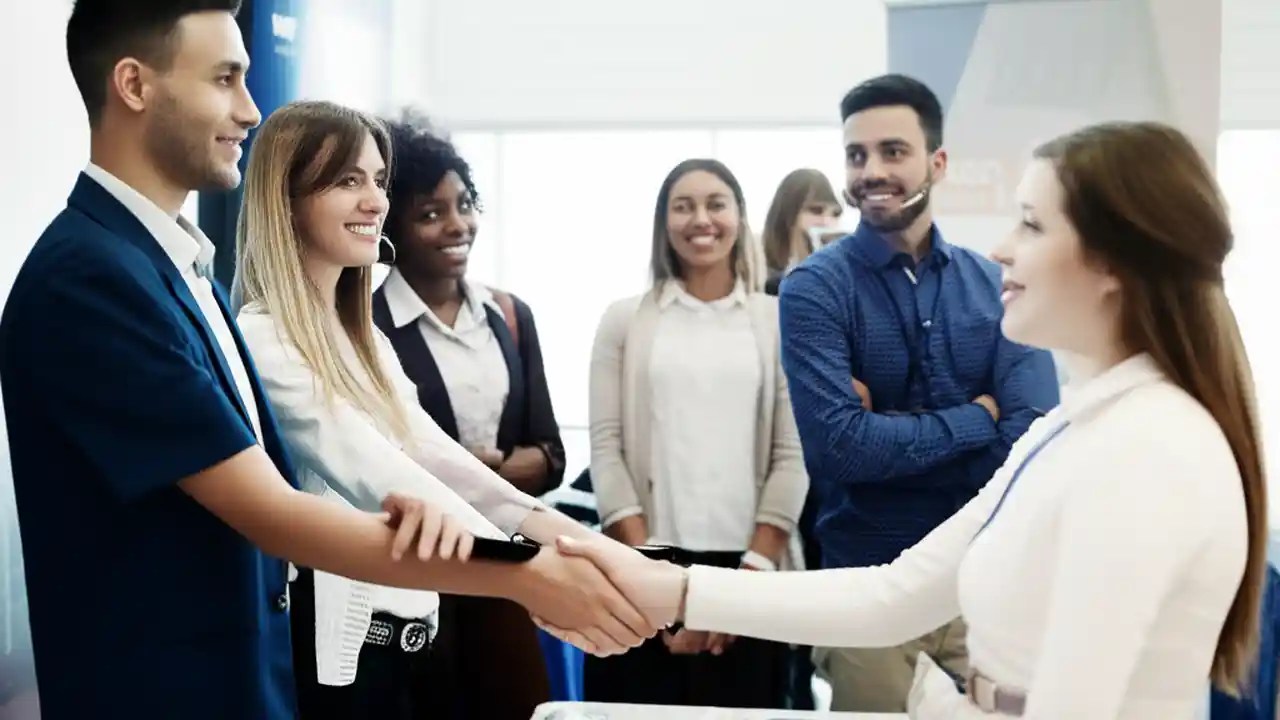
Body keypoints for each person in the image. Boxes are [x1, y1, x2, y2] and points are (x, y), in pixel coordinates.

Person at [0, 4, 655, 717]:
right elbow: (274, 512)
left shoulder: (184, 276)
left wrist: (558, 543)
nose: (250, 111)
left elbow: (433, 462)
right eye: (225, 79)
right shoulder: (93, 279)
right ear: (134, 85)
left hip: (244, 682)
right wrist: (528, 574)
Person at [545, 120, 1269, 720]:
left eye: (1031, 223)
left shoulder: (1149, 451)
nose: (1002, 249)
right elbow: (890, 595)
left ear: (1115, 261)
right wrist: (667, 586)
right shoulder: (1071, 431)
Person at [232, 100, 658, 720]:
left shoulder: (364, 341)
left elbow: (439, 460)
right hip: (341, 671)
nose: (375, 201)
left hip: (411, 648)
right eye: (348, 181)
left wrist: (573, 541)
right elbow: (382, 474)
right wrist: (536, 573)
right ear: (287, 201)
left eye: (378, 180)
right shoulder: (265, 335)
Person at [776, 73, 1060, 712]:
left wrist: (894, 435)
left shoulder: (997, 284)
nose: (871, 170)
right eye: (856, 155)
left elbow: (1030, 443)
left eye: (893, 151)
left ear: (937, 162)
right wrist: (975, 417)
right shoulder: (814, 291)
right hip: (865, 590)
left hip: (982, 589)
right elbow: (841, 452)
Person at [585, 159, 805, 708]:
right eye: (683, 206)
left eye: (715, 204)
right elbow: (607, 450)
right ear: (664, 223)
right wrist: (648, 574)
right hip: (646, 563)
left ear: (739, 217)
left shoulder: (777, 320)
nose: (700, 219)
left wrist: (744, 584)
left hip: (751, 565)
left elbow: (793, 454)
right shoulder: (625, 320)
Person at [370, 110, 561, 719]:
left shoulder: (509, 315)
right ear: (391, 226)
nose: (458, 225)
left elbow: (551, 454)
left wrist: (489, 469)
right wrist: (473, 474)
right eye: (431, 213)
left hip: (504, 572)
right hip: (411, 580)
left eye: (465, 204)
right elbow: (375, 464)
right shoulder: (368, 323)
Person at [760, 168, 842, 297]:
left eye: (836, 214)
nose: (827, 222)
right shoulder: (759, 277)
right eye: (816, 210)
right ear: (788, 213)